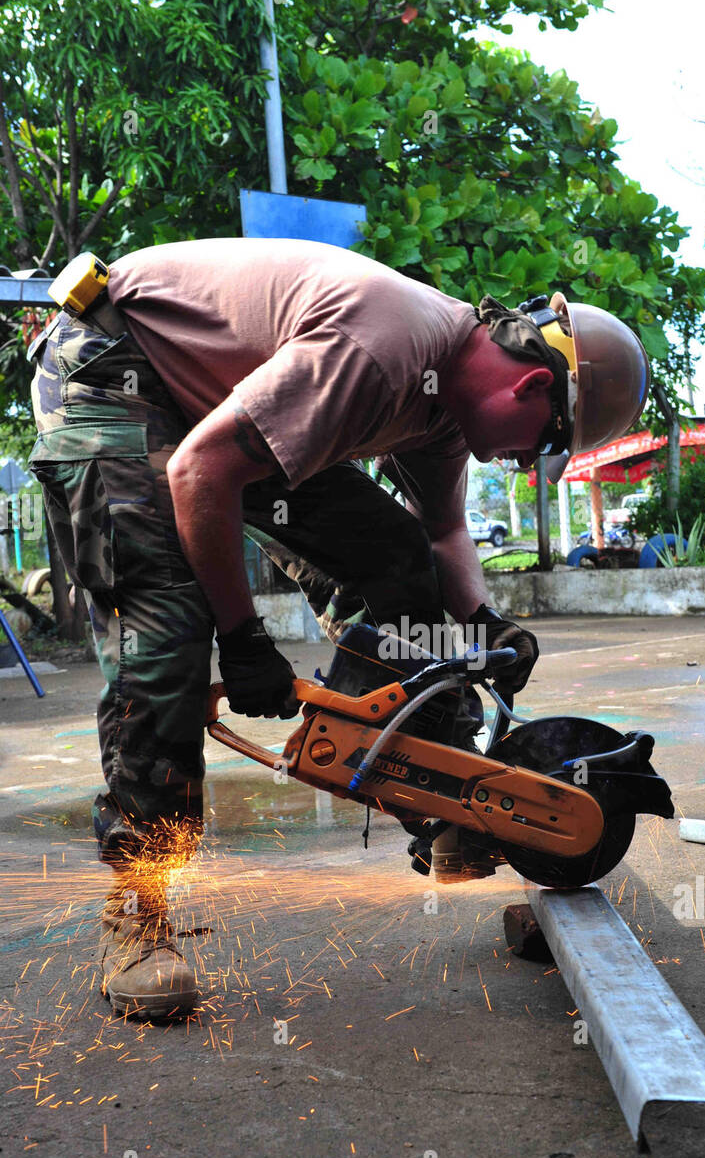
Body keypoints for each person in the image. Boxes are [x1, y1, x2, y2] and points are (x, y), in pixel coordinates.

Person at [28, 238, 649, 1020]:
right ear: (529, 385)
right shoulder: (382, 349)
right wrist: (244, 639)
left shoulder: (442, 409)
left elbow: (440, 536)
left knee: (393, 558)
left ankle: (434, 793)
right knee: (168, 628)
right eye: (545, 444)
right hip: (116, 367)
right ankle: (139, 910)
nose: (528, 464)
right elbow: (199, 472)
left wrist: (484, 624)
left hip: (219, 409)